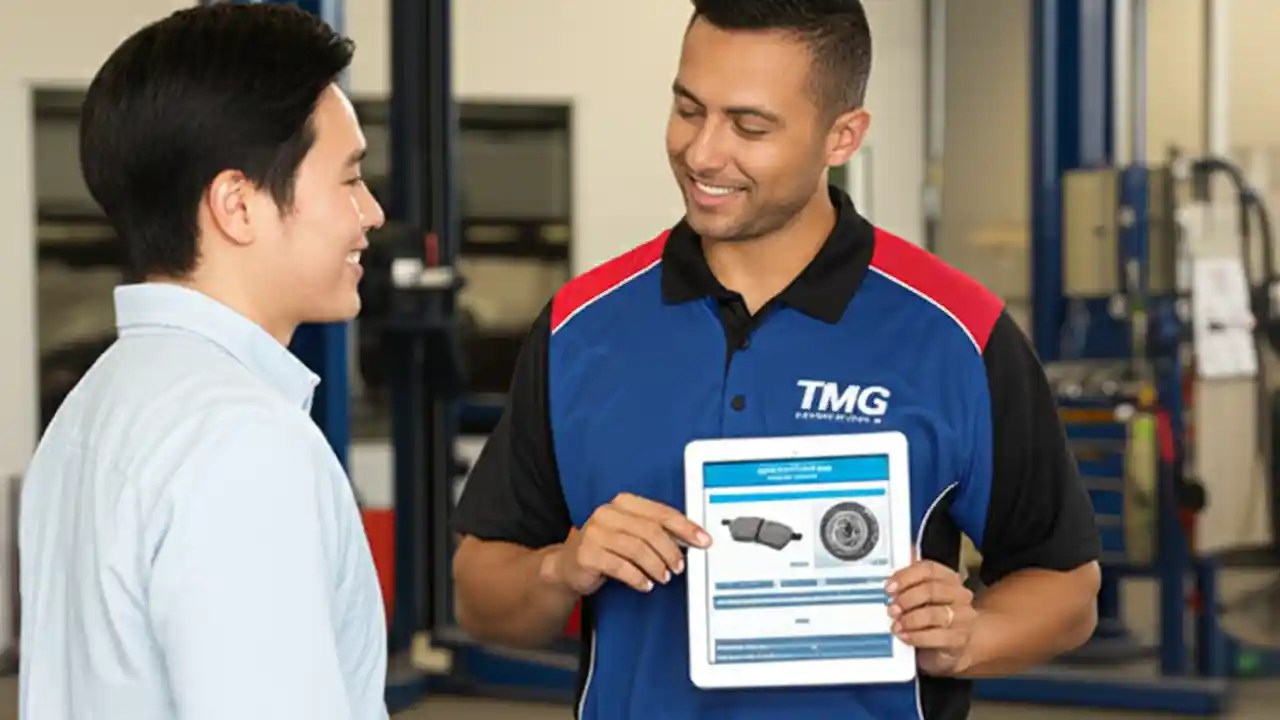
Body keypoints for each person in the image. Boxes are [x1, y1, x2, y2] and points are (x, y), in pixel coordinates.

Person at [451, 0, 1102, 718]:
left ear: (842, 136)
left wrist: (972, 635)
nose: (702, 153)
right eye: (688, 109)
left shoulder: (957, 332)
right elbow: (481, 595)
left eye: (749, 126)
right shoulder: (583, 325)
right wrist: (560, 567)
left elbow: (1067, 587)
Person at [18, 5, 388, 719]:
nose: (369, 212)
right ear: (237, 205)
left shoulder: (91, 411)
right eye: (348, 179)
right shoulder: (244, 443)